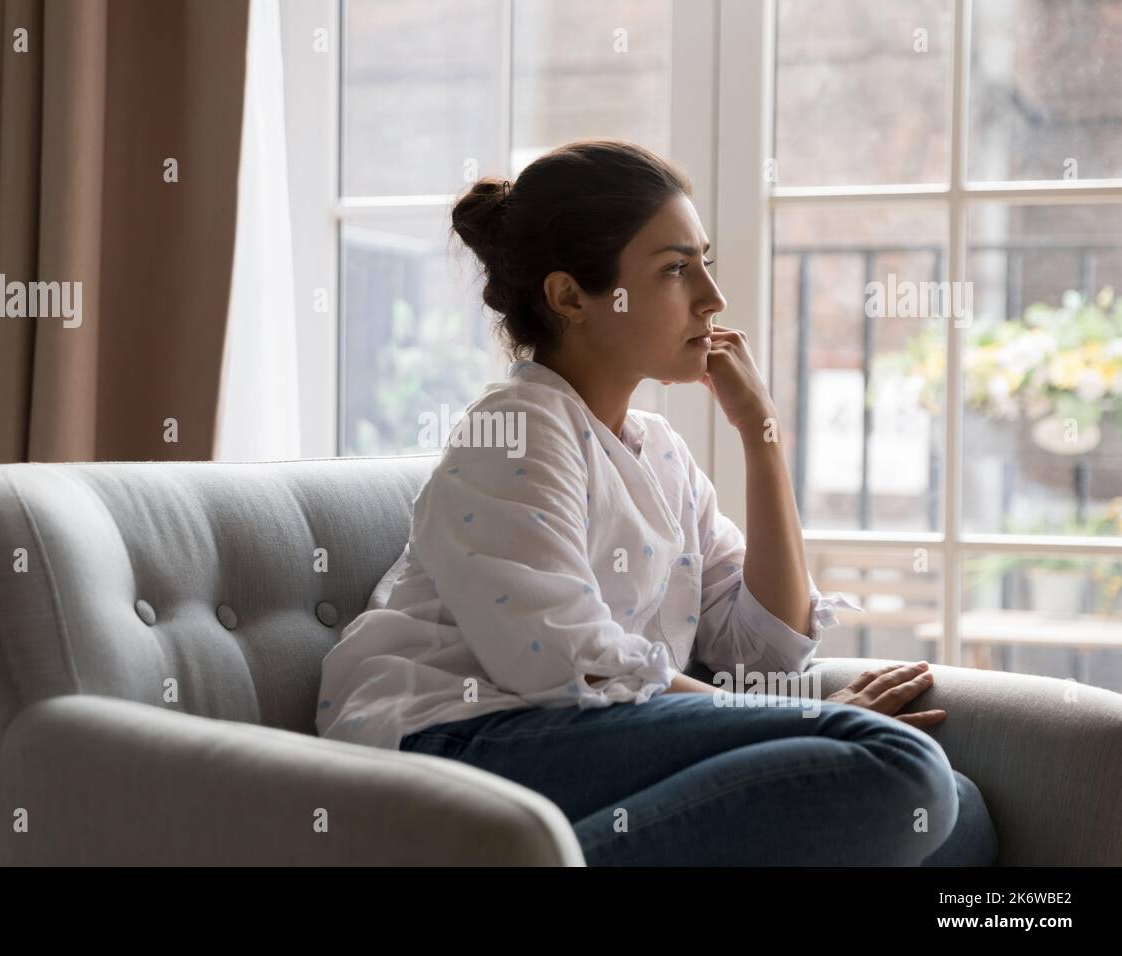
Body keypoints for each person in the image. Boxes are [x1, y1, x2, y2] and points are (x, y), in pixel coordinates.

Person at [316, 139, 998, 866]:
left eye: (704, 260)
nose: (712, 296)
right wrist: (807, 720)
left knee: (962, 814)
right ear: (571, 297)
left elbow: (762, 649)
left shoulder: (660, 450)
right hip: (460, 737)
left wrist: (760, 436)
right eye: (676, 268)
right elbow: (567, 664)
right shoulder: (515, 428)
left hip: (588, 730)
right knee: (904, 770)